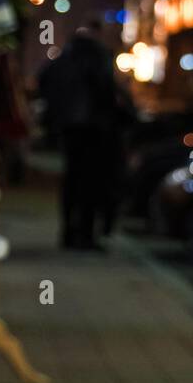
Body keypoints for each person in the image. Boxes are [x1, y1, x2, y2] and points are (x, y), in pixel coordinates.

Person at [40, 24, 117, 249]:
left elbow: (44, 82)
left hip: (71, 128)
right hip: (93, 129)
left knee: (72, 182)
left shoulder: (65, 58)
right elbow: (106, 90)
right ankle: (85, 233)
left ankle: (69, 231)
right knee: (91, 183)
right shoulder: (97, 56)